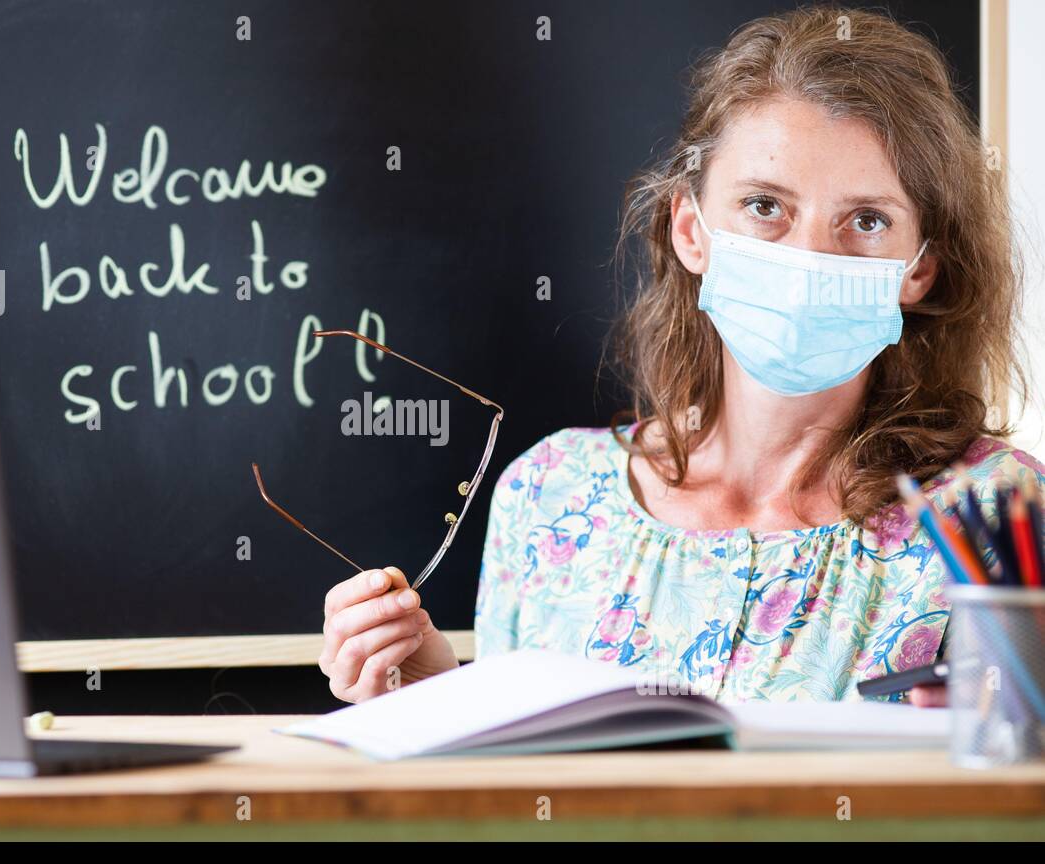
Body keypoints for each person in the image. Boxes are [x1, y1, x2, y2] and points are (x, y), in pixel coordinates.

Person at [317, 6, 1044, 706]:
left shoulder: (1000, 514)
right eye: (765, 206)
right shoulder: (548, 498)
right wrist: (436, 698)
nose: (808, 256)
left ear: (919, 267)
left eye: (866, 220)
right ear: (691, 232)